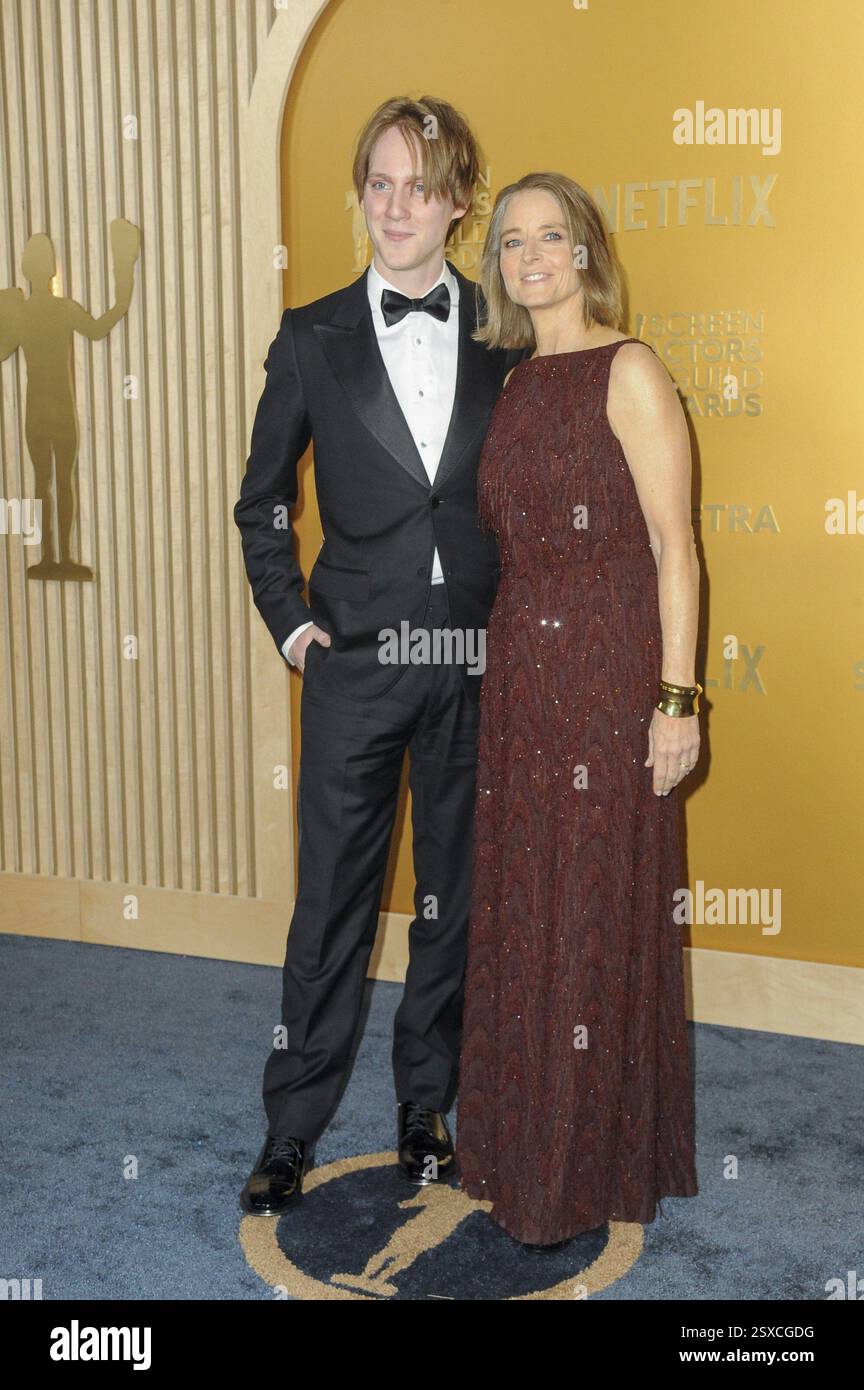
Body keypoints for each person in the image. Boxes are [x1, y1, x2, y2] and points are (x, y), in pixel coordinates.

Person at [233, 96, 525, 1216]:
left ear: (459, 201)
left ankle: (426, 1108)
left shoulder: (507, 333)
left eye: (423, 184)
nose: (398, 205)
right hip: (356, 660)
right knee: (333, 910)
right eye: (381, 182)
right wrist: (295, 627)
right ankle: (292, 1126)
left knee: (453, 895)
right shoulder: (311, 334)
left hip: (475, 660)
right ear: (363, 192)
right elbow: (262, 504)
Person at [454, 172, 701, 1250]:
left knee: (591, 905)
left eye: (552, 236)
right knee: (527, 902)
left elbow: (674, 548)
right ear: (500, 264)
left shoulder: (631, 367)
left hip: (608, 670)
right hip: (521, 676)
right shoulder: (514, 386)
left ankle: (575, 1166)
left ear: (586, 250)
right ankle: (516, 1143)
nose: (533, 255)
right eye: (513, 242)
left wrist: (676, 700)